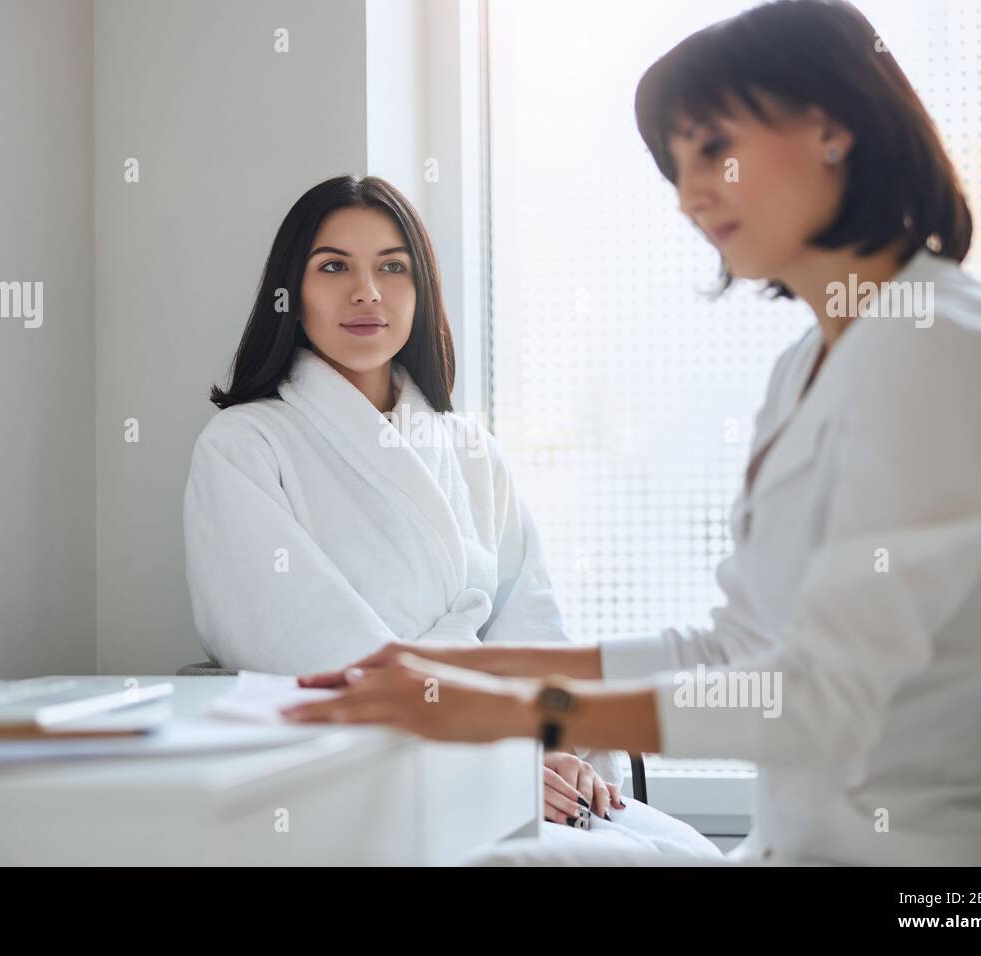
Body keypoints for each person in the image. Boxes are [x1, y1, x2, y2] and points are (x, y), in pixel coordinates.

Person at [284, 0, 981, 867]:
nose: (691, 192)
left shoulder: (947, 347)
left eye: (715, 147)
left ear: (832, 129)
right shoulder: (810, 365)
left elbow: (822, 700)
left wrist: (512, 715)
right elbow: (736, 645)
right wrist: (462, 669)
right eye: (677, 163)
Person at [183, 175, 720, 856]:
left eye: (392, 267)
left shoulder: (469, 449)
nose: (367, 292)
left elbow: (533, 623)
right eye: (332, 267)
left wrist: (551, 748)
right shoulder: (244, 447)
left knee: (690, 854)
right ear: (290, 293)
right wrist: (498, 766)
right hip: (365, 775)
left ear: (420, 289)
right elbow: (302, 645)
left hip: (515, 756)